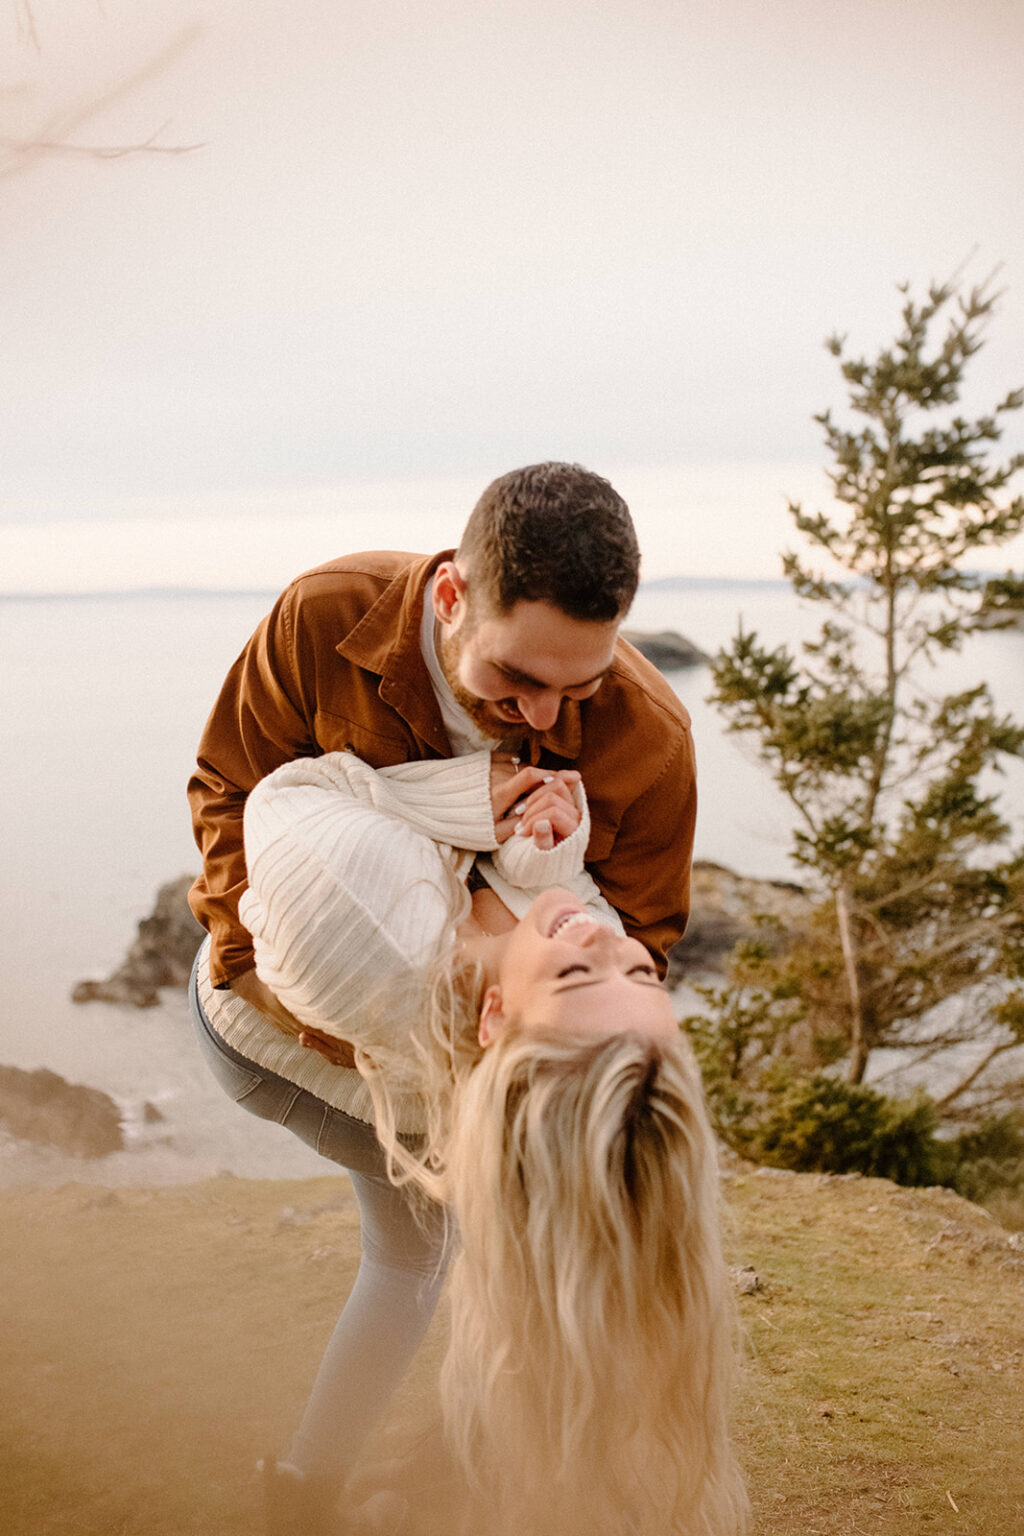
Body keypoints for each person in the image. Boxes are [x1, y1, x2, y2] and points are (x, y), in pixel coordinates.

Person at [186, 462, 702, 1527]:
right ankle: (417, 1479)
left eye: (579, 689)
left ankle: (352, 1485)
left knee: (489, 1254)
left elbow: (638, 943)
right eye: (517, 677)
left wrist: (531, 930)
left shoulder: (648, 740)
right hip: (278, 1025)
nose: (544, 714)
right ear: (453, 594)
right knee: (455, 1250)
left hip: (478, 1038)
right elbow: (233, 791)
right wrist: (302, 986)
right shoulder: (324, 617)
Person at [192, 746, 743, 1536]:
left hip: (311, 1025)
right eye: (642, 975)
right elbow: (564, 899)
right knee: (461, 1250)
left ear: (495, 1021)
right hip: (292, 1033)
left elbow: (295, 790)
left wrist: (478, 801)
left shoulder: (380, 914)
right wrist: (530, 835)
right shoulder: (548, 943)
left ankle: (324, 1491)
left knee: (428, 1256)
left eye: (584, 976)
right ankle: (356, 1488)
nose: (608, 940)